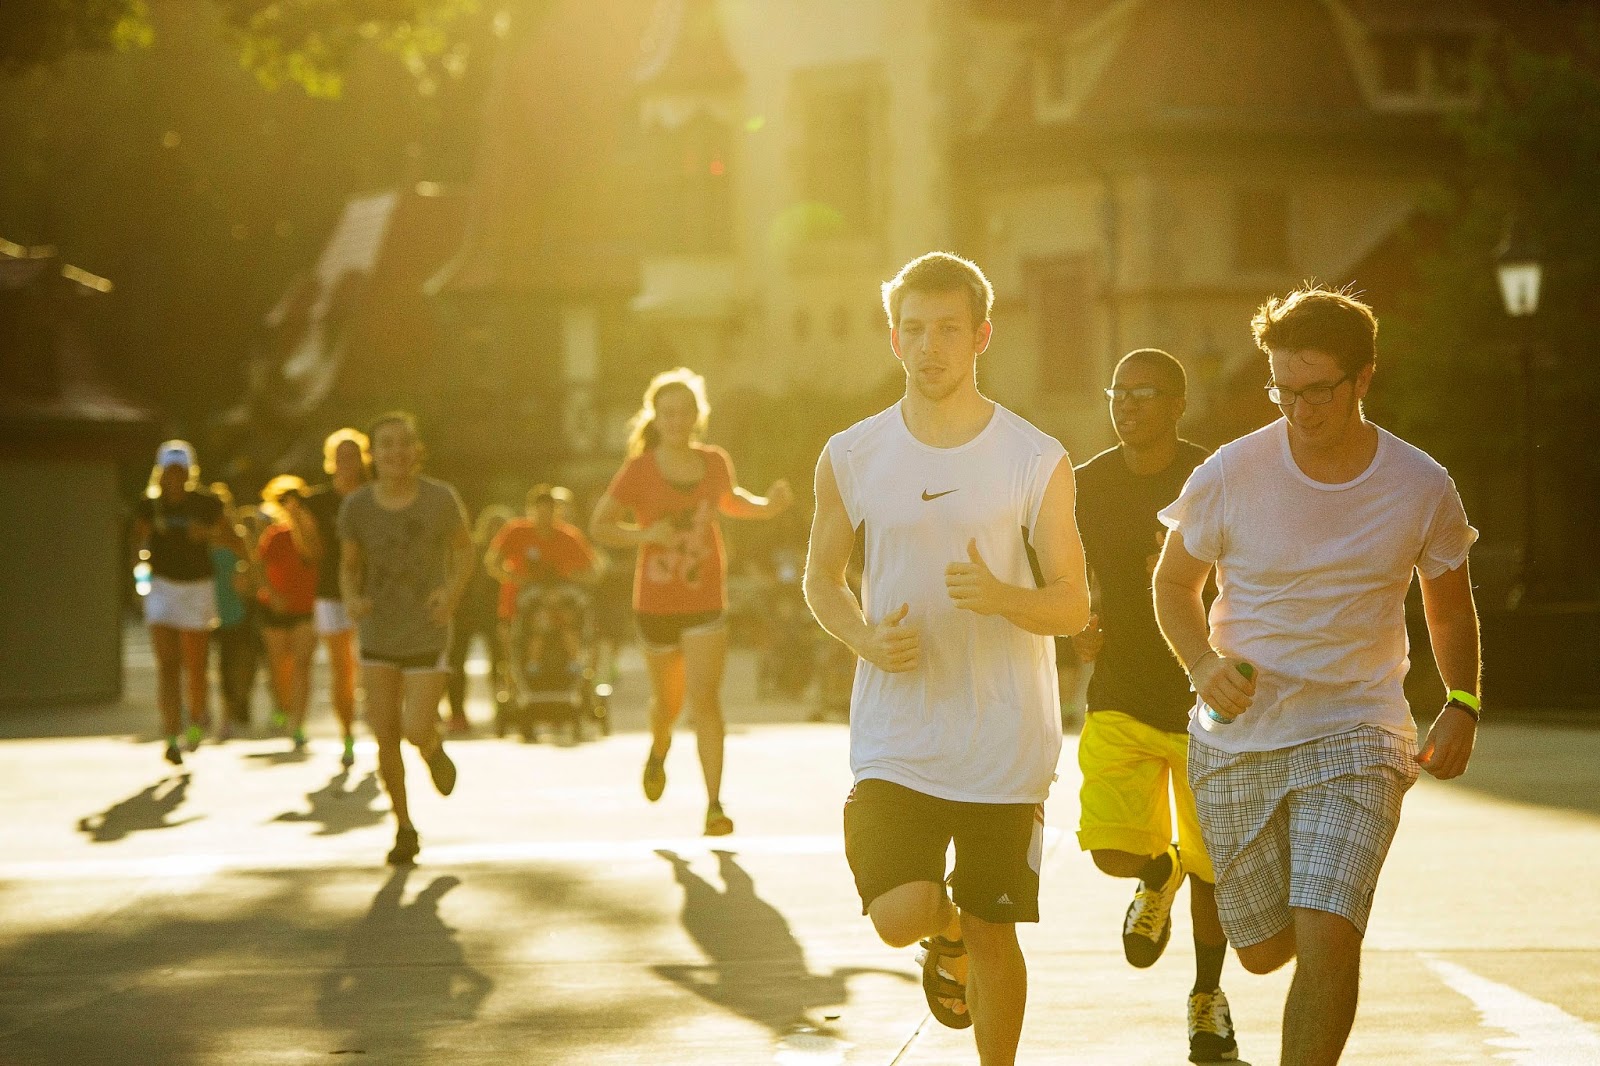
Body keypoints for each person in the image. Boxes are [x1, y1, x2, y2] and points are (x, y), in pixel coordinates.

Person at [1152, 286, 1481, 1066]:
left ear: (1363, 378)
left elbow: (1450, 609)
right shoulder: (1232, 473)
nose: (1299, 409)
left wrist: (1462, 701)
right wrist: (1200, 663)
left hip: (1357, 733)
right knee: (1264, 948)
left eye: (1317, 390)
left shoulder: (1420, 484)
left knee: (1329, 928)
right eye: (1283, 390)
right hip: (1240, 737)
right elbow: (1173, 585)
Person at [803, 252, 1089, 1066]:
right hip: (899, 731)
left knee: (999, 928)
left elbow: (1073, 605)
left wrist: (1004, 596)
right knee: (899, 915)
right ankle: (948, 928)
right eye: (915, 330)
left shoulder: (1035, 457)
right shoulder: (851, 456)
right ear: (895, 338)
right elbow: (820, 580)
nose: (930, 347)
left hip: (1005, 739)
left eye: (949, 331)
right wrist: (862, 637)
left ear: (981, 337)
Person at [1069, 349, 1236, 1062]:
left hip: (1207, 703)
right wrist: (1077, 617)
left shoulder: (1214, 478)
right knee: (1110, 850)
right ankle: (1151, 872)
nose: (1127, 403)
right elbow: (1055, 562)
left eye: (1145, 392)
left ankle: (1206, 998)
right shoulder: (1086, 484)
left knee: (1212, 868)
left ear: (1177, 404)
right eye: (1118, 391)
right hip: (1121, 694)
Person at [590, 368, 793, 836]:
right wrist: (646, 534)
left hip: (705, 597)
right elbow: (601, 525)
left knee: (705, 698)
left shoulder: (714, 461)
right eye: (669, 413)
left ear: (697, 417)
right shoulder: (639, 470)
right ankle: (659, 750)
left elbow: (729, 500)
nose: (678, 420)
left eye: (686, 412)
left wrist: (768, 506)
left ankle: (714, 806)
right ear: (656, 419)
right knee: (668, 702)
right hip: (656, 603)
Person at [338, 412, 473, 865]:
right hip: (378, 631)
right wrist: (352, 598)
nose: (396, 452)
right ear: (373, 455)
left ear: (417, 451)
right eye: (386, 445)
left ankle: (432, 748)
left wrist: (450, 594)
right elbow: (348, 567)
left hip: (425, 628)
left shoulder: (439, 499)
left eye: (404, 444)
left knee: (416, 726)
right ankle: (404, 828)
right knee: (385, 736)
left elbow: (465, 550)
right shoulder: (357, 506)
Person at [132, 440, 241, 765]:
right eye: (170, 472)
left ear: (190, 472)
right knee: (168, 667)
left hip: (197, 588)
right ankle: (171, 736)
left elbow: (234, 540)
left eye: (181, 472)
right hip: (162, 587)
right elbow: (137, 545)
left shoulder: (207, 504)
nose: (175, 479)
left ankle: (196, 715)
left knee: (195, 666)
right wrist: (139, 583)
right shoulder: (149, 506)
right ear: (161, 473)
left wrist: (206, 535)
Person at [304, 428, 370, 768]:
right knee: (342, 668)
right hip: (331, 592)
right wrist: (300, 524)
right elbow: (311, 553)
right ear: (332, 461)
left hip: (373, 591)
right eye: (341, 456)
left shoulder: (376, 496)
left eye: (353, 455)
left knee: (374, 665)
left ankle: (382, 728)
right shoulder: (316, 502)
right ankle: (348, 735)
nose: (347, 462)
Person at [487, 485, 600, 682]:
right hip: (526, 597)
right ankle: (520, 673)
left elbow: (594, 570)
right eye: (539, 512)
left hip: (561, 597)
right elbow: (492, 562)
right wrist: (512, 577)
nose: (544, 518)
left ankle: (577, 665)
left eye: (549, 512)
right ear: (530, 510)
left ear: (556, 512)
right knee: (513, 629)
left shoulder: (569, 536)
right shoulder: (516, 531)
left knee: (571, 614)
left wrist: (575, 576)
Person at [257, 475, 321, 753]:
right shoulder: (273, 535)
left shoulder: (313, 535)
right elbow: (259, 568)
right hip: (276, 607)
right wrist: (273, 595)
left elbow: (316, 558)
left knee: (302, 665)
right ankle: (281, 706)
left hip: (306, 608)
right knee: (278, 664)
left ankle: (298, 723)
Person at [445, 503, 513, 733]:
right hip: (464, 612)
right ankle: (456, 713)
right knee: (455, 663)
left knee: (501, 662)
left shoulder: (510, 552)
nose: (496, 531)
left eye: (501, 527)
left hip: (495, 614)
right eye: (492, 526)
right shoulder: (469, 548)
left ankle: (503, 708)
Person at [208, 482, 260, 739]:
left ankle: (234, 710)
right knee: (211, 665)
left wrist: (245, 578)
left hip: (236, 609)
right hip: (207, 609)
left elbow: (253, 569)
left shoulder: (237, 536)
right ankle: (208, 713)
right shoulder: (203, 537)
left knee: (236, 663)